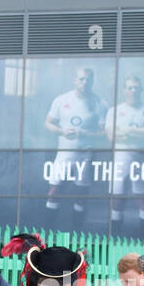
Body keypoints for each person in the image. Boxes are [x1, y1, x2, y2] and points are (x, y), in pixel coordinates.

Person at [44, 67, 107, 229]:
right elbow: (48, 123)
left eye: (88, 79)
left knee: (81, 195)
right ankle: (48, 229)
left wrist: (85, 133)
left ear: (92, 82)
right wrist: (62, 131)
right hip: (64, 154)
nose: (84, 83)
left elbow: (104, 133)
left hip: (85, 155)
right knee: (54, 192)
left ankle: (77, 231)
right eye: (81, 79)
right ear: (75, 80)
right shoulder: (61, 100)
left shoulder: (100, 103)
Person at [106, 75, 144, 234]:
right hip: (121, 157)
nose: (133, 91)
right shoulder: (115, 110)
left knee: (143, 199)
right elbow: (111, 135)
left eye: (136, 87)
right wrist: (143, 132)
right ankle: (114, 235)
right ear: (124, 90)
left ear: (141, 90)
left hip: (142, 157)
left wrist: (128, 132)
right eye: (130, 87)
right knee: (117, 198)